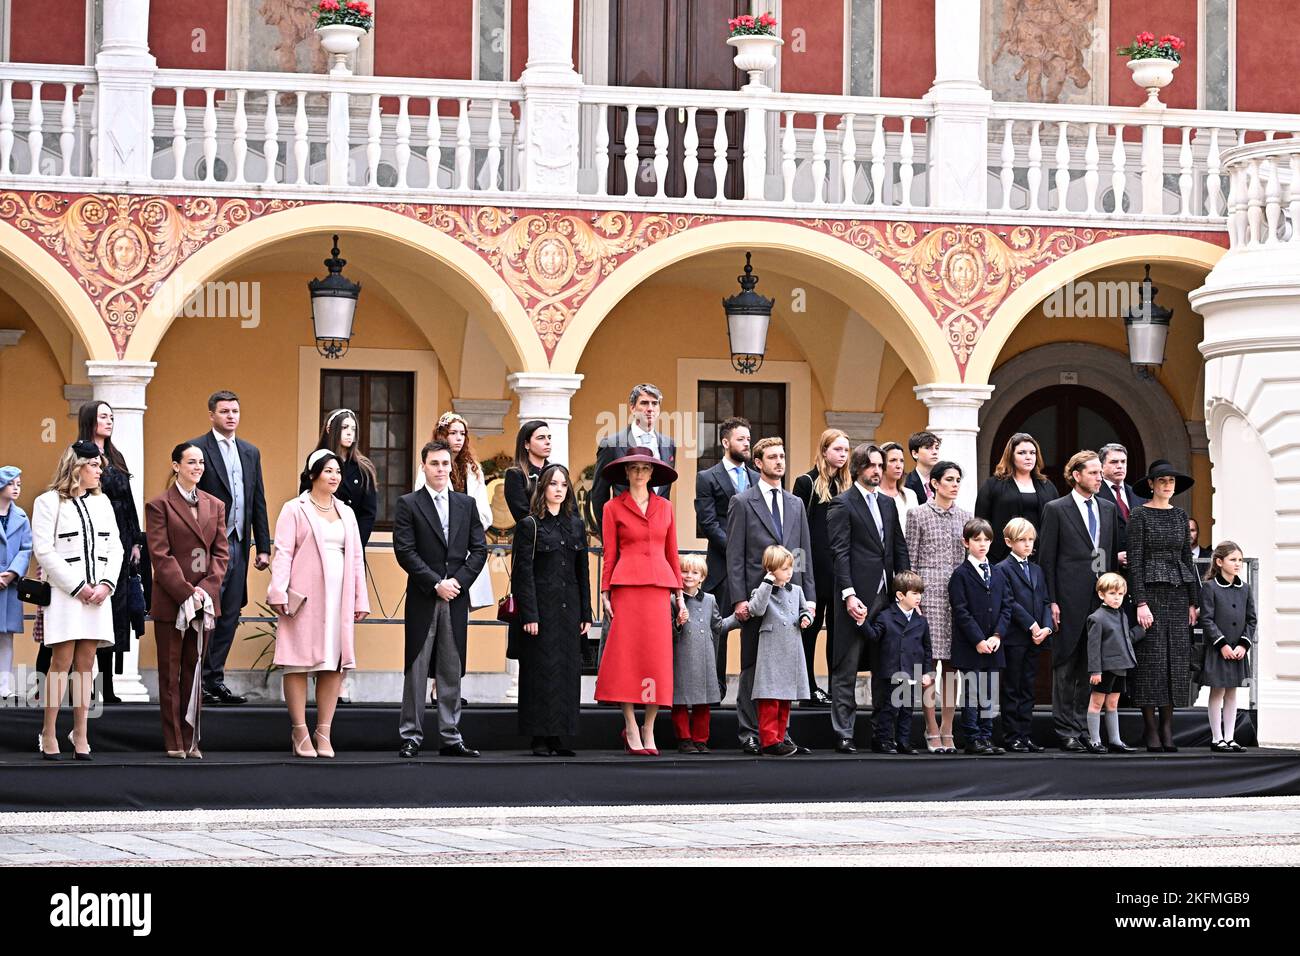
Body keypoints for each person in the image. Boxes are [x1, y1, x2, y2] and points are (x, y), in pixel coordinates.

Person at [269, 451, 369, 758]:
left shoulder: (346, 513)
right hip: (304, 597)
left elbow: (355, 558)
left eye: (338, 471)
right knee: (298, 663)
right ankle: (300, 731)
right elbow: (283, 552)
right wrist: (278, 591)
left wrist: (359, 597)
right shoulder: (294, 508)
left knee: (333, 664)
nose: (335, 476)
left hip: (338, 598)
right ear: (313, 474)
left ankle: (323, 731)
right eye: (328, 471)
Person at [395, 440, 488, 758]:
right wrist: (435, 584)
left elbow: (479, 550)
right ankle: (411, 734)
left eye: (445, 463)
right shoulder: (408, 503)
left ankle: (450, 735)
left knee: (452, 665)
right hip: (423, 595)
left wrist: (457, 583)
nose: (440, 469)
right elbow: (404, 551)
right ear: (423, 466)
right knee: (417, 666)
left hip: (456, 597)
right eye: (434, 463)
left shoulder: (466, 504)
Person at [32, 442, 123, 760]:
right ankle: (48, 731)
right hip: (64, 594)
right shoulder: (47, 502)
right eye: (95, 466)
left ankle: (80, 733)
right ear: (77, 467)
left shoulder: (103, 503)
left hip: (98, 595)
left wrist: (106, 585)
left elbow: (116, 548)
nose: (100, 471)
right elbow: (44, 550)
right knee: (61, 662)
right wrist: (77, 587)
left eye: (101, 466)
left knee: (87, 663)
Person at [726, 436, 816, 755]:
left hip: (790, 603)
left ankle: (781, 734)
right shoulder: (742, 501)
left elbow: (801, 553)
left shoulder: (795, 503)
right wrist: (739, 599)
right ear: (758, 463)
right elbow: (735, 555)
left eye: (783, 456)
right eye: (773, 457)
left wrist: (809, 597)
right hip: (757, 599)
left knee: (785, 668)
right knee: (753, 667)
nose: (780, 461)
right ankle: (750, 732)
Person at [596, 446, 684, 756]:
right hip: (626, 586)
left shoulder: (665, 507)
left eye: (644, 469)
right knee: (627, 658)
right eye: (633, 468)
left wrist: (680, 596)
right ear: (625, 472)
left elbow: (672, 553)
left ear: (652, 474)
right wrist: (605, 592)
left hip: (659, 587)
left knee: (655, 658)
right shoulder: (612, 508)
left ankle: (650, 726)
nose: (638, 473)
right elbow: (610, 553)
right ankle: (630, 724)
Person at [145, 443, 229, 758]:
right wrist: (185, 592)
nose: (197, 467)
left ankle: (192, 738)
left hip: (204, 600)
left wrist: (206, 589)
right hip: (173, 600)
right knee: (170, 671)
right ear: (176, 465)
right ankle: (173, 740)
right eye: (191, 462)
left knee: (194, 671)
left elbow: (221, 553)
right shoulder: (159, 505)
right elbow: (160, 554)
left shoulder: (215, 505)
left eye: (201, 462)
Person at [826, 443, 909, 754]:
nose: (877, 470)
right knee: (846, 667)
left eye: (880, 465)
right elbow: (839, 553)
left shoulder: (888, 504)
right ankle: (843, 733)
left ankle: (882, 734)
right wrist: (848, 594)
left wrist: (905, 592)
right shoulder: (842, 504)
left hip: (888, 598)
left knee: (884, 668)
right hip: (856, 597)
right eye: (872, 465)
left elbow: (898, 548)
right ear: (858, 468)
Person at [190, 390, 270, 706]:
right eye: (224, 411)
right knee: (206, 610)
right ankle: (195, 678)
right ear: (212, 415)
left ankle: (214, 679)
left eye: (235, 410)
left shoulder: (250, 452)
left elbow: (257, 501)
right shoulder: (198, 449)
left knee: (230, 612)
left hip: (239, 543)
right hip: (208, 545)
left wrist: (263, 546)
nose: (231, 416)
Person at [1037, 450, 1121, 752]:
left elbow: (1108, 556)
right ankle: (1065, 729)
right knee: (1066, 665)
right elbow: (1046, 559)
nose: (1100, 477)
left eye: (1101, 472)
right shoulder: (1056, 509)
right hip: (1067, 600)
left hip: (1099, 601)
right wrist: (1052, 601)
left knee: (1092, 665)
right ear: (1076, 475)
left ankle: (1086, 728)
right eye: (1094, 473)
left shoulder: (1109, 509)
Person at [510, 463, 591, 757]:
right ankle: (539, 737)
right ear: (543, 488)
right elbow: (523, 575)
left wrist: (586, 612)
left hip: (569, 610)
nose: (559, 489)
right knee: (539, 672)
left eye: (563, 485)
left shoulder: (576, 525)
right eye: (553, 484)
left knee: (567, 673)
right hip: (541, 612)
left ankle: (559, 735)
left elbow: (583, 571)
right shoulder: (529, 525)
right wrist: (529, 615)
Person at [71, 401, 147, 705]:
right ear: (90, 419)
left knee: (117, 612)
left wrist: (137, 542)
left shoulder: (116, 456)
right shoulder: (78, 453)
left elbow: (128, 499)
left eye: (112, 416)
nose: (109, 421)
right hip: (93, 538)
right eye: (104, 416)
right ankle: (88, 686)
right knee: (93, 611)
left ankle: (110, 684)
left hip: (122, 539)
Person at [1128, 459, 1202, 752]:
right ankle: (1150, 729)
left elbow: (1188, 559)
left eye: (1170, 481)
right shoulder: (1139, 515)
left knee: (1175, 660)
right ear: (1151, 484)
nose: (1167, 485)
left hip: (1178, 594)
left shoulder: (1181, 516)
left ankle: (1168, 728)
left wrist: (1193, 601)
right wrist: (1141, 602)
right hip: (1151, 594)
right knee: (1151, 661)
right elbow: (1134, 561)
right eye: (1161, 481)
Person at [903, 460, 969, 753]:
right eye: (950, 480)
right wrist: (911, 598)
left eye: (958, 480)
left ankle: (948, 728)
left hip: (957, 595)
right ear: (934, 483)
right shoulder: (916, 514)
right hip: (926, 594)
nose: (955, 485)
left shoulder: (966, 516)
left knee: (953, 667)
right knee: (928, 664)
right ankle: (930, 726)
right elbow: (910, 559)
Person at [694, 416, 758, 697]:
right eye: (741, 439)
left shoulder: (757, 478)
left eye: (748, 438)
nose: (747, 443)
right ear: (725, 442)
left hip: (756, 569)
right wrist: (736, 550)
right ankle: (715, 690)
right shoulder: (707, 478)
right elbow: (708, 523)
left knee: (754, 631)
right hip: (721, 568)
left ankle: (753, 691)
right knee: (717, 631)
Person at [792, 428, 851, 707]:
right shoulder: (806, 483)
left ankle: (835, 687)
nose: (842, 455)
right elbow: (796, 530)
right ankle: (808, 687)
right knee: (810, 628)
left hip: (841, 570)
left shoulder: (849, 486)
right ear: (824, 450)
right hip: (813, 569)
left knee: (838, 631)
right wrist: (798, 572)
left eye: (846, 450)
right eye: (838, 449)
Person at [947, 518, 1011, 755]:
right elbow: (960, 611)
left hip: (994, 645)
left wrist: (997, 636)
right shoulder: (960, 574)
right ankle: (972, 737)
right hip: (971, 646)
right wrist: (978, 640)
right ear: (966, 542)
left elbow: (1007, 606)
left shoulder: (997, 573)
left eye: (986, 540)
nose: (982, 544)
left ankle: (986, 736)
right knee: (972, 691)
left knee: (989, 692)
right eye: (977, 540)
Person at [746, 545, 813, 757]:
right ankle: (769, 740)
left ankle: (782, 737)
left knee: (785, 699)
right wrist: (767, 582)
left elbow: (805, 610)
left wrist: (806, 618)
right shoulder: (761, 591)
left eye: (790, 567)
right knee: (770, 699)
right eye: (784, 569)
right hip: (772, 651)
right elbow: (756, 609)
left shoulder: (797, 590)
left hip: (792, 649)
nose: (789, 572)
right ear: (771, 569)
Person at [995, 518, 1052, 752]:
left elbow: (1046, 601)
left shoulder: (1036, 569)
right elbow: (1010, 602)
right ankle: (1011, 736)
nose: (1028, 545)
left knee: (1028, 687)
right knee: (1012, 687)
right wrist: (1032, 625)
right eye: (1022, 540)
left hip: (1035, 638)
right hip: (1015, 637)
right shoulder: (1002, 569)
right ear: (1009, 542)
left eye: (1031, 540)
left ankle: (1025, 734)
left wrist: (1046, 627)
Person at [590, 383, 677, 535]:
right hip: (624, 534)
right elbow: (599, 494)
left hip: (657, 537)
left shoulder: (668, 444)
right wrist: (609, 537)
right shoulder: (612, 444)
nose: (650, 408)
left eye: (655, 403)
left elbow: (664, 492)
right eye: (644, 403)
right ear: (632, 408)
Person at [672, 553, 735, 754]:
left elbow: (717, 625)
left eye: (694, 572)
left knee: (703, 701)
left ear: (702, 577)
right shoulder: (673, 600)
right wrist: (677, 623)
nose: (689, 575)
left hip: (704, 657)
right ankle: (684, 739)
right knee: (680, 700)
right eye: (684, 571)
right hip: (681, 656)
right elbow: (666, 631)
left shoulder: (710, 600)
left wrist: (738, 618)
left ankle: (700, 739)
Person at [864, 570, 933, 755]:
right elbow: (874, 635)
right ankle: (883, 740)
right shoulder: (886, 616)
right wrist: (862, 622)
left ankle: (903, 741)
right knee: (890, 708)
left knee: (907, 709)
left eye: (920, 593)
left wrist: (927, 672)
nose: (919, 597)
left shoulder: (921, 621)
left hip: (912, 671)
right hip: (893, 671)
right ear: (900, 595)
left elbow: (927, 649)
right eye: (914, 593)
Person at [433, 411, 495, 610]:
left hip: (467, 543)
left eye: (462, 433)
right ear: (443, 434)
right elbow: (426, 508)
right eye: (453, 433)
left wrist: (467, 527)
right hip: (440, 544)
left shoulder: (473, 468)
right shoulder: (429, 466)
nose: (459, 438)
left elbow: (484, 512)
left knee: (460, 607)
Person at [1200, 541, 1254, 752]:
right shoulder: (1210, 587)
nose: (1238, 563)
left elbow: (1251, 620)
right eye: (1233, 560)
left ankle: (1230, 738)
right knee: (1218, 692)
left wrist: (1243, 645)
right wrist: (1221, 644)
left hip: (1238, 650)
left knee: (1232, 692)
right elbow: (1206, 619)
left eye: (1240, 560)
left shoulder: (1246, 589)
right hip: (1218, 649)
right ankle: (1217, 738)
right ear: (1219, 561)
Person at [974, 432, 1058, 564]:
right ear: (1010, 456)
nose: (1028, 457)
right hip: (1002, 557)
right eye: (1022, 453)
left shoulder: (1047, 486)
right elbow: (981, 523)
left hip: (1039, 557)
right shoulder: (993, 485)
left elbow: (1055, 523)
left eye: (1032, 453)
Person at [1084, 573, 1142, 754]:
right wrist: (1095, 671)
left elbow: (1125, 638)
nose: (1117, 598)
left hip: (1120, 666)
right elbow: (1093, 648)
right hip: (1104, 669)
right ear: (1102, 594)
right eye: (1112, 593)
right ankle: (1094, 741)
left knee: (1113, 703)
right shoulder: (1097, 618)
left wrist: (1142, 630)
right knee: (1096, 703)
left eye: (1120, 594)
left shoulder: (1122, 615)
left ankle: (1115, 740)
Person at [314, 408, 378, 548]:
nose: (350, 433)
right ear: (331, 430)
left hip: (352, 543)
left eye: (353, 429)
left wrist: (355, 546)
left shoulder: (364, 469)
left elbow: (368, 514)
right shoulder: (316, 464)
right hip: (320, 543)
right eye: (344, 427)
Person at [0, 467, 31, 701]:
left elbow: (26, 548)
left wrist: (11, 573)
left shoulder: (21, 516)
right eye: (12, 484)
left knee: (6, 636)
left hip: (9, 587)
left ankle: (3, 686)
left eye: (19, 483)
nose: (17, 488)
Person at [1095, 443, 1148, 569]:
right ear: (1101, 466)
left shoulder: (1139, 495)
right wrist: (1112, 558)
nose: (1120, 466)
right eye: (1114, 462)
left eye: (1123, 462)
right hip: (1106, 571)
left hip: (1137, 571)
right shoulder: (1094, 494)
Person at [504, 420, 551, 523]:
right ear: (526, 444)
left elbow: (571, 509)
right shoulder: (515, 475)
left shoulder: (557, 472)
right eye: (541, 438)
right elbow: (523, 516)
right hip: (533, 536)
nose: (548, 442)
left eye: (549, 437)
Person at [878, 441, 920, 533]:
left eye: (901, 461)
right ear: (881, 463)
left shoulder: (910, 495)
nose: (899, 465)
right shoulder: (873, 494)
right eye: (893, 460)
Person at [904, 431, 941, 504]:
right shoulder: (906, 483)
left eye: (936, 448)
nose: (935, 452)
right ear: (915, 454)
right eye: (928, 448)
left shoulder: (942, 482)